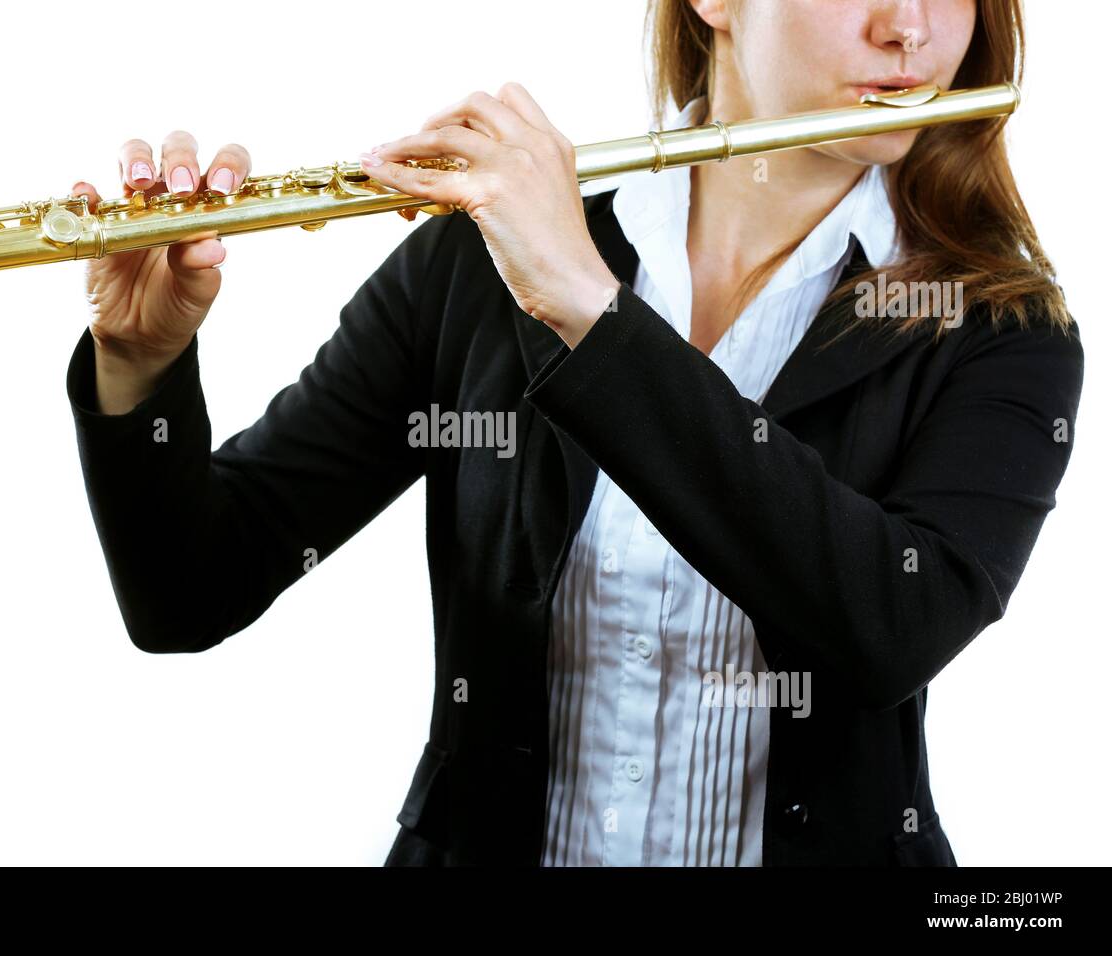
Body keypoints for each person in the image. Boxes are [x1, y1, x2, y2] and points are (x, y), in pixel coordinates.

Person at [64, 0, 1083, 866]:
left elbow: (890, 625)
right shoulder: (480, 262)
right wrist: (140, 364)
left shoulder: (999, 328)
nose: (907, 29)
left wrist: (595, 316)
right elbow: (188, 593)